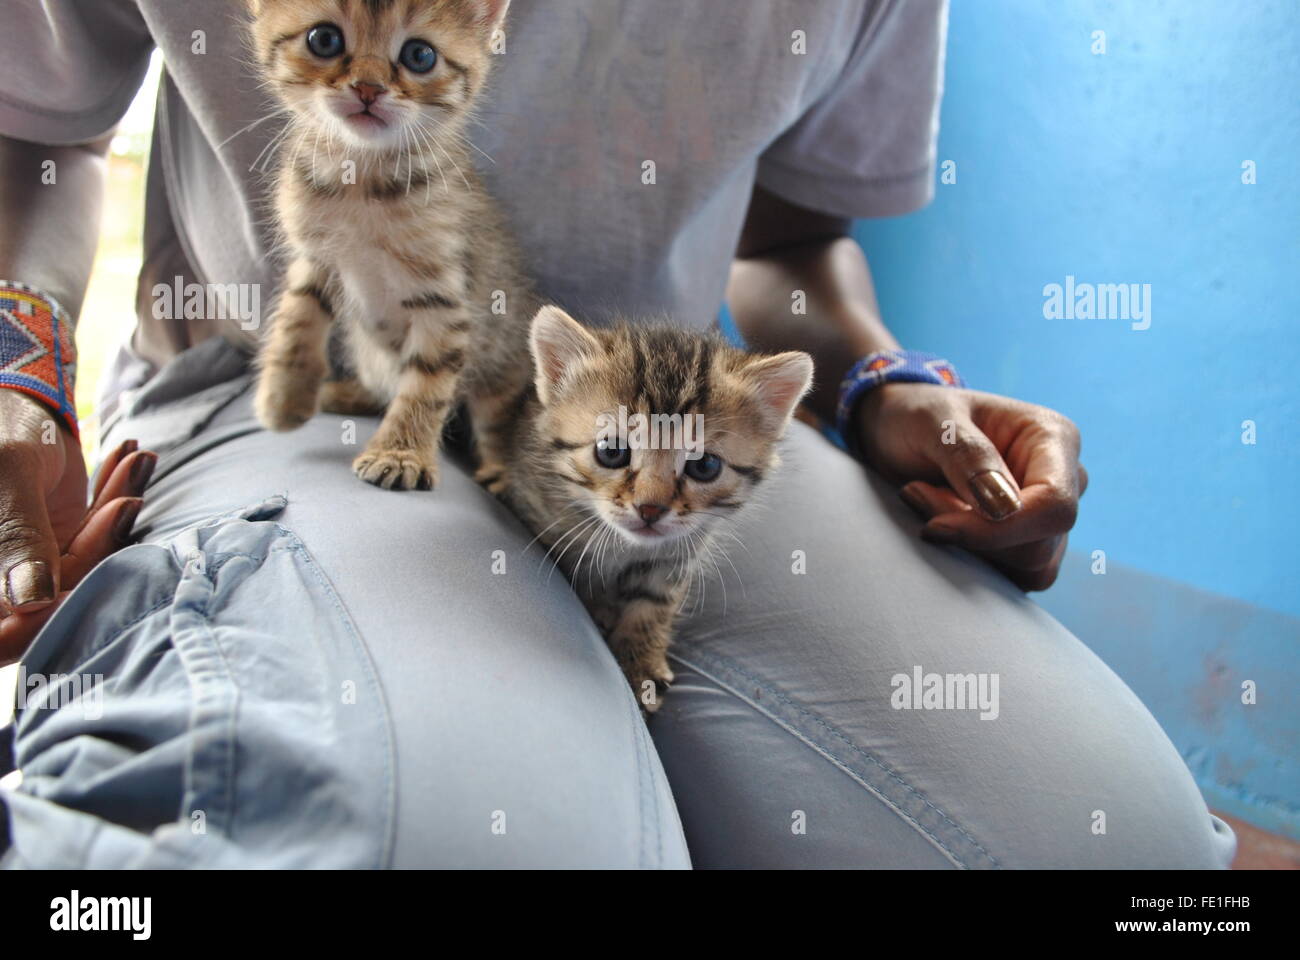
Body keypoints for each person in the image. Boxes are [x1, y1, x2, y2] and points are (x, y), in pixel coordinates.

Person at [0, 0, 1233, 868]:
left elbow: (790, 241)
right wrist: (19, 374)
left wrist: (881, 382)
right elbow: (34, 127)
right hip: (313, 398)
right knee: (440, 838)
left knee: (1114, 840)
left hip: (654, 413)